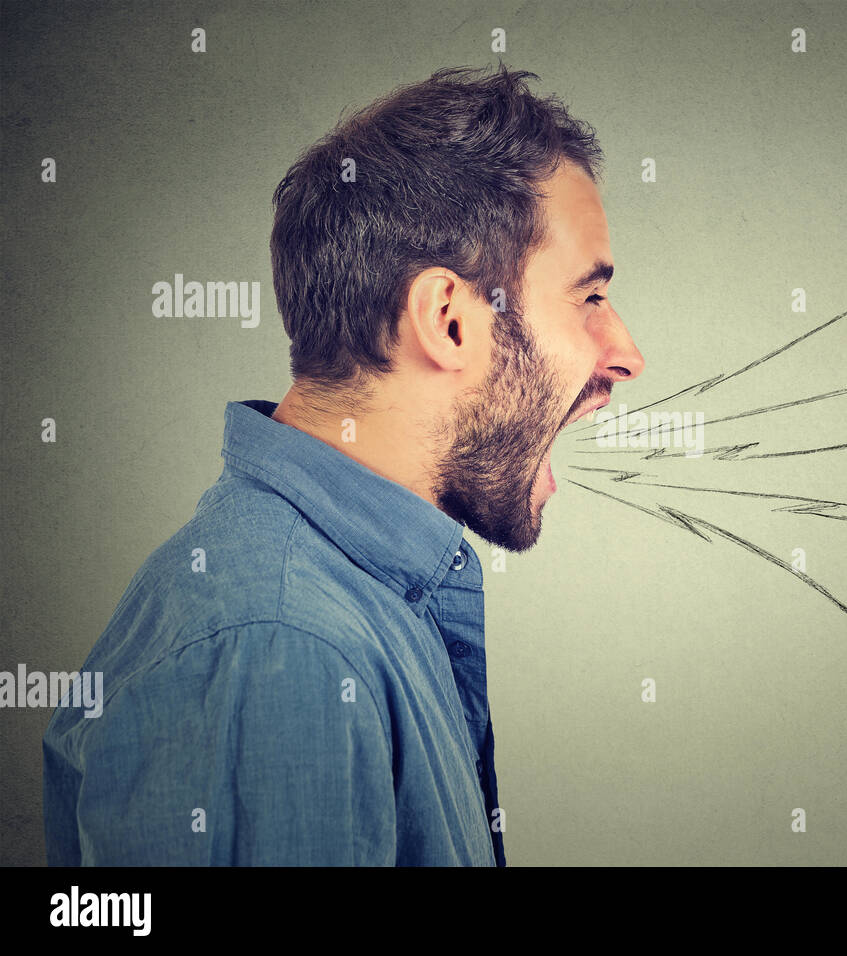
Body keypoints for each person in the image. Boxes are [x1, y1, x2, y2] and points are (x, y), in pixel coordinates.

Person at [42, 65, 645, 866]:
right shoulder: (281, 652)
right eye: (590, 299)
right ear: (450, 322)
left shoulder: (345, 605)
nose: (626, 356)